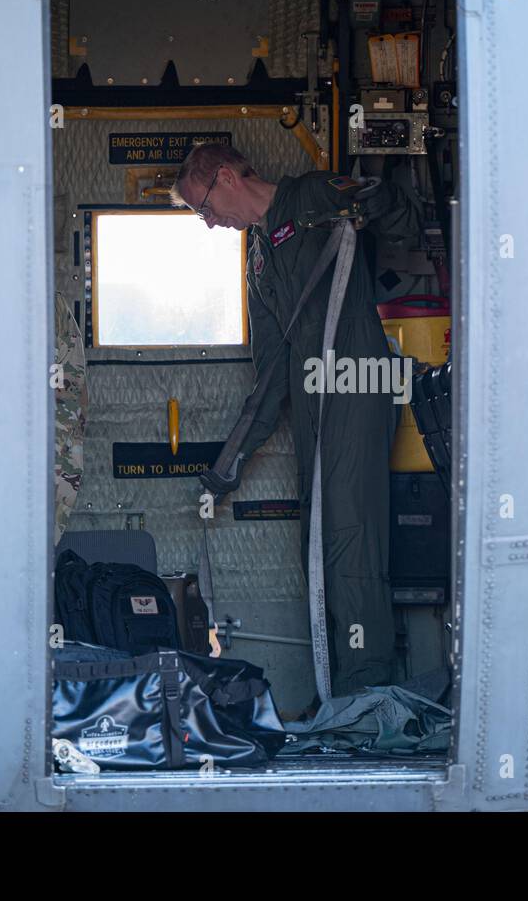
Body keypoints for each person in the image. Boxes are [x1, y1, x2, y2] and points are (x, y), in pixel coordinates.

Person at [170, 142, 422, 697]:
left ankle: (366, 692)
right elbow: (272, 372)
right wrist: (227, 465)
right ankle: (339, 687)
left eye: (204, 207)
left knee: (351, 538)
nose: (209, 223)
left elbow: (406, 218)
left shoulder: (313, 196)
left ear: (228, 177)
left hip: (354, 380)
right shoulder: (258, 257)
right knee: (321, 542)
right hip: (312, 400)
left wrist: (376, 202)